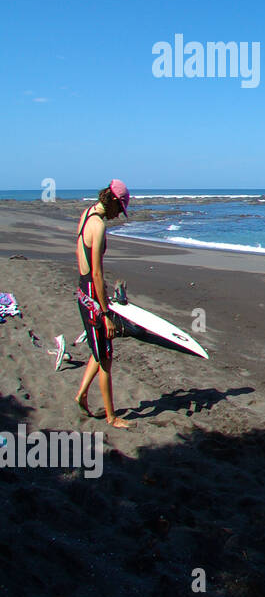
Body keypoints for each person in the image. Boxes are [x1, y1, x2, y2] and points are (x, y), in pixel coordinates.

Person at [73, 180, 132, 428]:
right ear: (113, 202)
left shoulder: (87, 214)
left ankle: (81, 394)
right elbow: (97, 272)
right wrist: (106, 312)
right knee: (106, 357)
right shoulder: (98, 225)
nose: (119, 215)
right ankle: (111, 417)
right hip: (92, 297)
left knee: (98, 352)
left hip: (84, 290)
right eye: (120, 209)